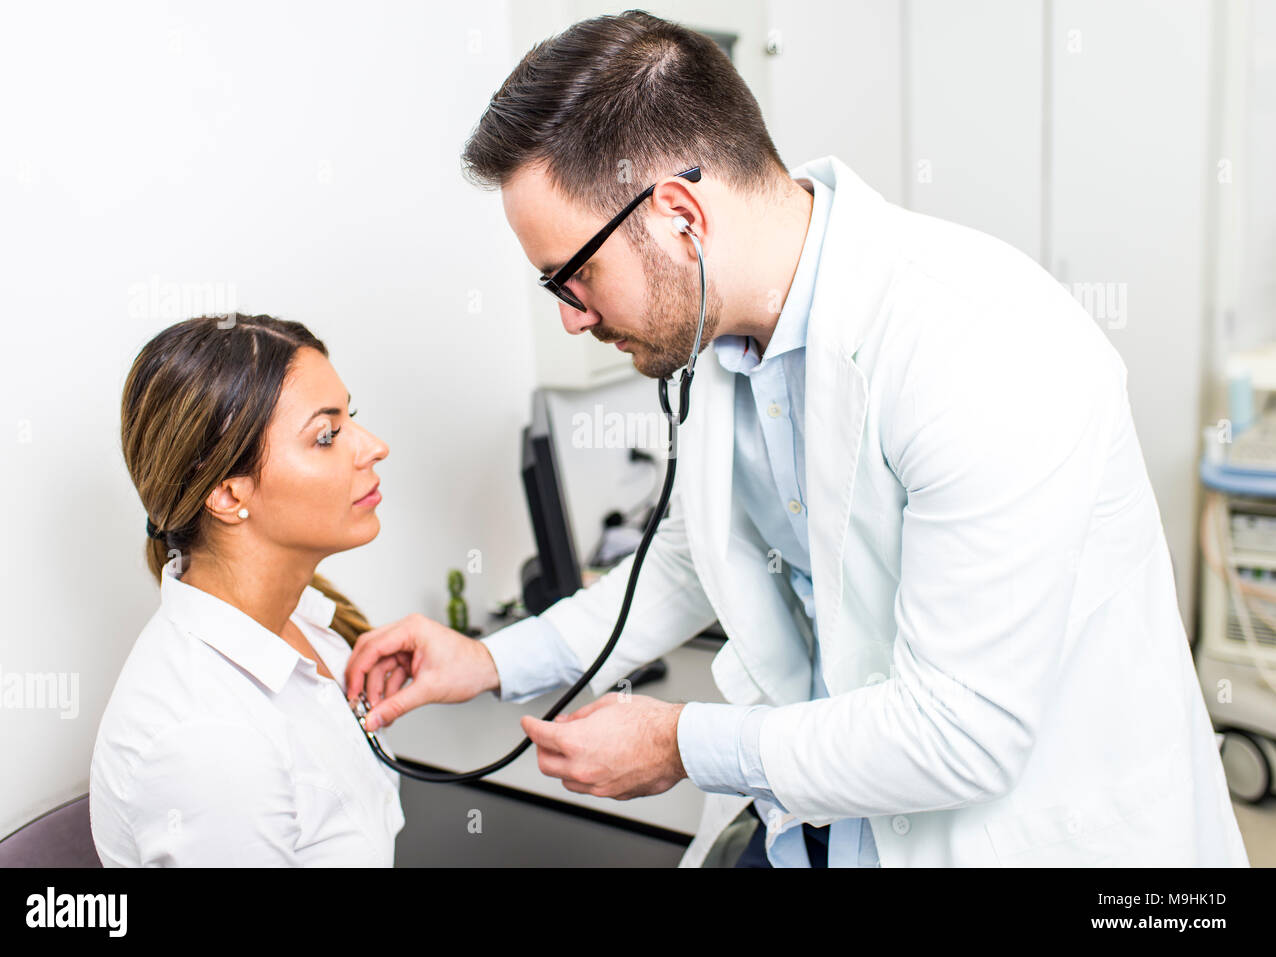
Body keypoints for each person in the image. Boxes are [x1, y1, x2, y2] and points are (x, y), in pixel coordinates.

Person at [346, 10, 1249, 867]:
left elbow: (961, 733)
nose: (573, 320)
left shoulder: (981, 342)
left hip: (1033, 835)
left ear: (680, 218)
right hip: (838, 822)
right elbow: (695, 559)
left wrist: (681, 742)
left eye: (570, 278)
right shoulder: (718, 339)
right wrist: (493, 657)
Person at [92, 313, 403, 866]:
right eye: (326, 436)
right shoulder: (208, 742)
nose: (374, 447)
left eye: (349, 417)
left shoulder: (306, 625)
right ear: (229, 495)